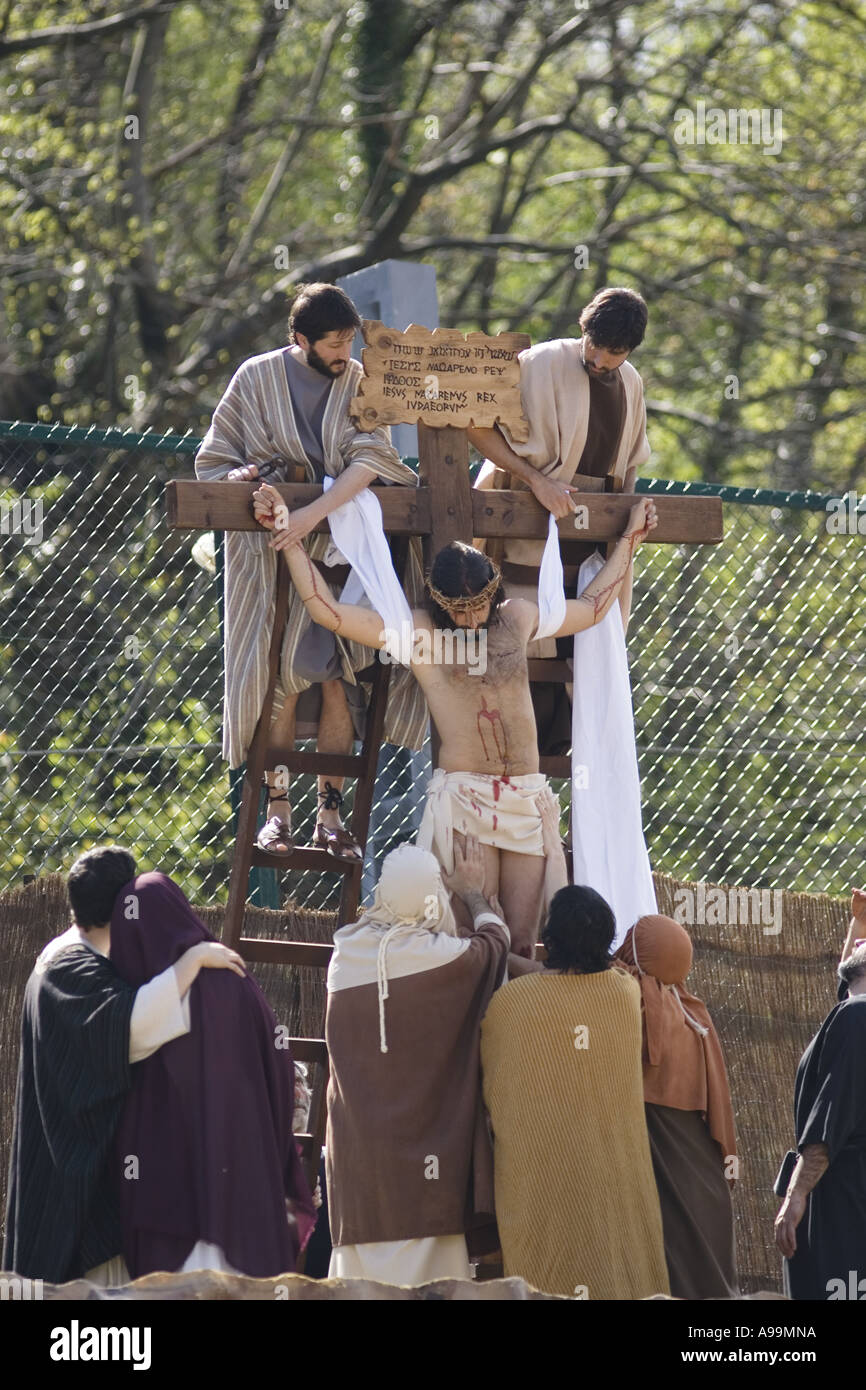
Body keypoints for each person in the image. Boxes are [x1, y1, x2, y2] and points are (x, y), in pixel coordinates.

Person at [253, 481, 657, 955]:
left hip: (526, 797)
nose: (470, 620)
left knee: (523, 943)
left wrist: (630, 539)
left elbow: (592, 608)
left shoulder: (516, 618)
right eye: (459, 611)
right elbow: (330, 613)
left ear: (494, 589)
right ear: (439, 603)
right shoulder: (420, 632)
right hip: (467, 798)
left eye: (479, 606)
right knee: (478, 940)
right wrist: (289, 535)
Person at [195, 281, 427, 861]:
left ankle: (330, 814)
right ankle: (277, 814)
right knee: (273, 678)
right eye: (334, 342)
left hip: (337, 555)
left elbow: (374, 459)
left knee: (336, 677)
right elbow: (214, 459)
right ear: (299, 339)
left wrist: (311, 516)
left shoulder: (357, 381)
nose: (345, 351)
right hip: (264, 555)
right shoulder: (254, 378)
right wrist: (238, 478)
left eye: (350, 339)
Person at [3, 846, 245, 1284]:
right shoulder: (69, 969)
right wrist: (191, 963)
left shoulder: (76, 957)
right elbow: (130, 1030)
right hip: (76, 1189)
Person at [108, 872, 316, 1279]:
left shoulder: (144, 1001)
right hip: (245, 1199)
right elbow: (278, 1071)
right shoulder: (236, 980)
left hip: (168, 1212)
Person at [469, 286, 650, 751]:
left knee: (583, 670)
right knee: (522, 660)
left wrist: (625, 525)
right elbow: (476, 425)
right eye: (596, 344)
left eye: (615, 353)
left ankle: (553, 805)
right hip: (527, 537)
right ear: (583, 328)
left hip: (592, 551)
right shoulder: (539, 362)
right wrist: (535, 480)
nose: (602, 359)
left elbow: (629, 466)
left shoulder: (631, 382)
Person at [325, 838, 512, 1285]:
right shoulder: (446, 958)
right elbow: (497, 941)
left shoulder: (344, 953)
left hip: (358, 1174)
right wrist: (471, 893)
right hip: (429, 1177)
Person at [480, 884, 669, 1299]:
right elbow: (565, 989)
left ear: (552, 940)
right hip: (614, 1190)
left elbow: (492, 1091)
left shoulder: (511, 1004)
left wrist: (495, 942)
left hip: (543, 1189)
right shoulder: (624, 992)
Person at [614, 914, 739, 1298]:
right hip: (707, 1182)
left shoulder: (628, 1002)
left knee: (677, 1270)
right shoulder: (694, 1012)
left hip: (669, 1177)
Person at [774, 942, 866, 1300]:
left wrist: (796, 1195)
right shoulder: (850, 1016)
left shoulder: (857, 1017)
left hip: (845, 1209)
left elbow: (829, 1122)